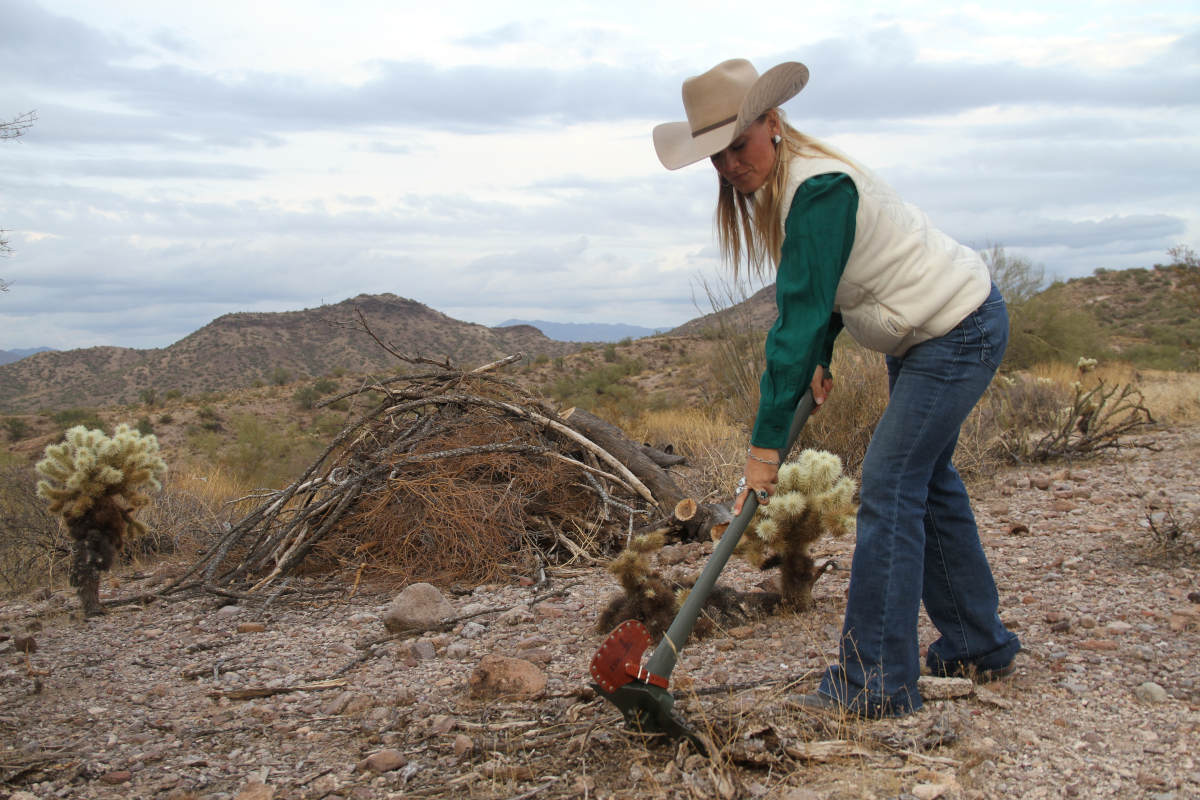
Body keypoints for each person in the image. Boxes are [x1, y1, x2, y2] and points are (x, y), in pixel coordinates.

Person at [653, 58, 1020, 718]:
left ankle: (875, 677)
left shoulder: (817, 189)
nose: (730, 166)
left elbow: (791, 327)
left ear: (772, 122)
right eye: (717, 158)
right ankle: (976, 642)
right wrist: (821, 358)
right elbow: (818, 306)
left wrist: (764, 452)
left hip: (959, 328)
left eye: (738, 146)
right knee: (924, 480)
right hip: (927, 333)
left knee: (889, 483)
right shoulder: (788, 187)